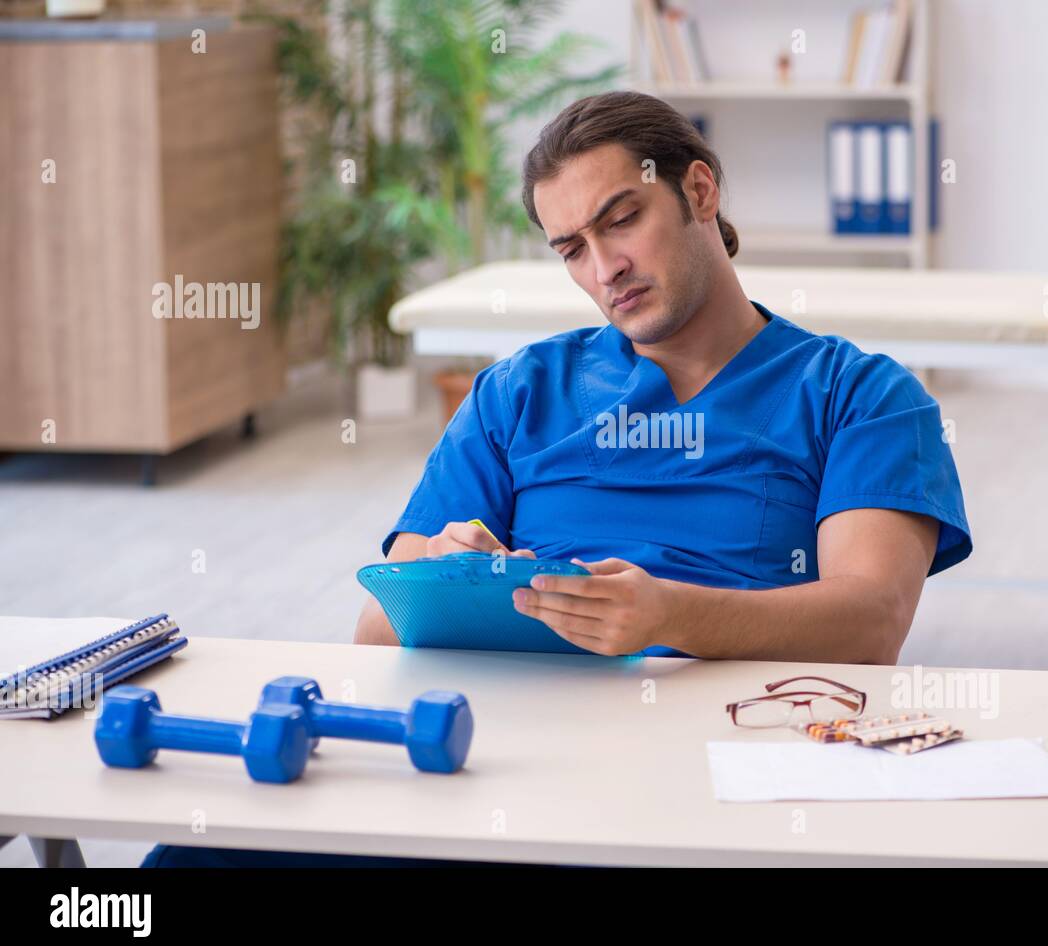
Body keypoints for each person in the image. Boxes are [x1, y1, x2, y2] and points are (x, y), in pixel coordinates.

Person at [144, 90, 970, 868]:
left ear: (701, 190)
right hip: (499, 759)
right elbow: (378, 625)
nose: (605, 267)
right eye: (572, 248)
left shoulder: (860, 395)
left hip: (710, 772)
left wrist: (668, 613)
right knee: (188, 857)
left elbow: (871, 621)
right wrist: (440, 557)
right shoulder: (519, 390)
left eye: (623, 220)